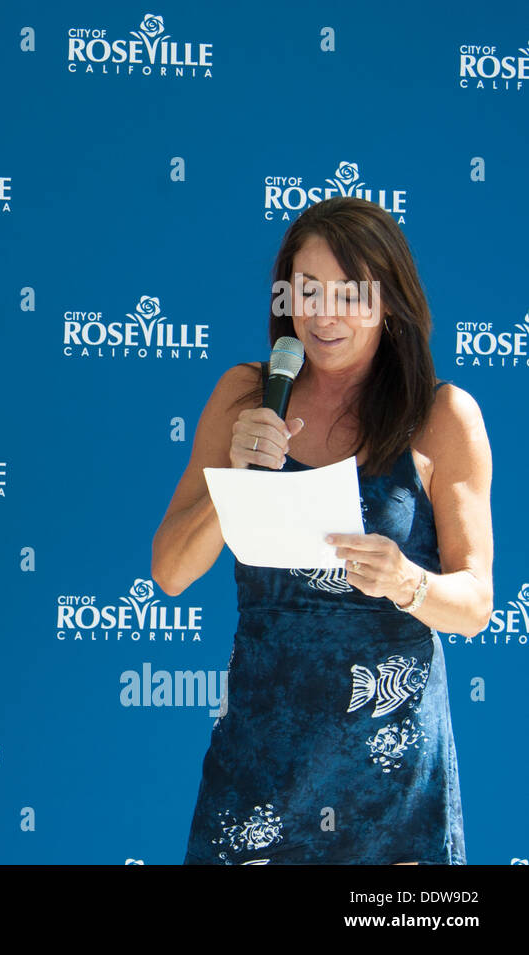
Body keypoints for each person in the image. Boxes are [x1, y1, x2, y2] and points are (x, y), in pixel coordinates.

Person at [152, 196, 492, 864]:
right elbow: (169, 571)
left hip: (391, 793)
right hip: (259, 774)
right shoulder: (245, 394)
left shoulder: (444, 415)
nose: (323, 312)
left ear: (390, 300)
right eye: (307, 290)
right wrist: (238, 477)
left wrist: (405, 581)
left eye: (348, 292)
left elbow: (476, 604)